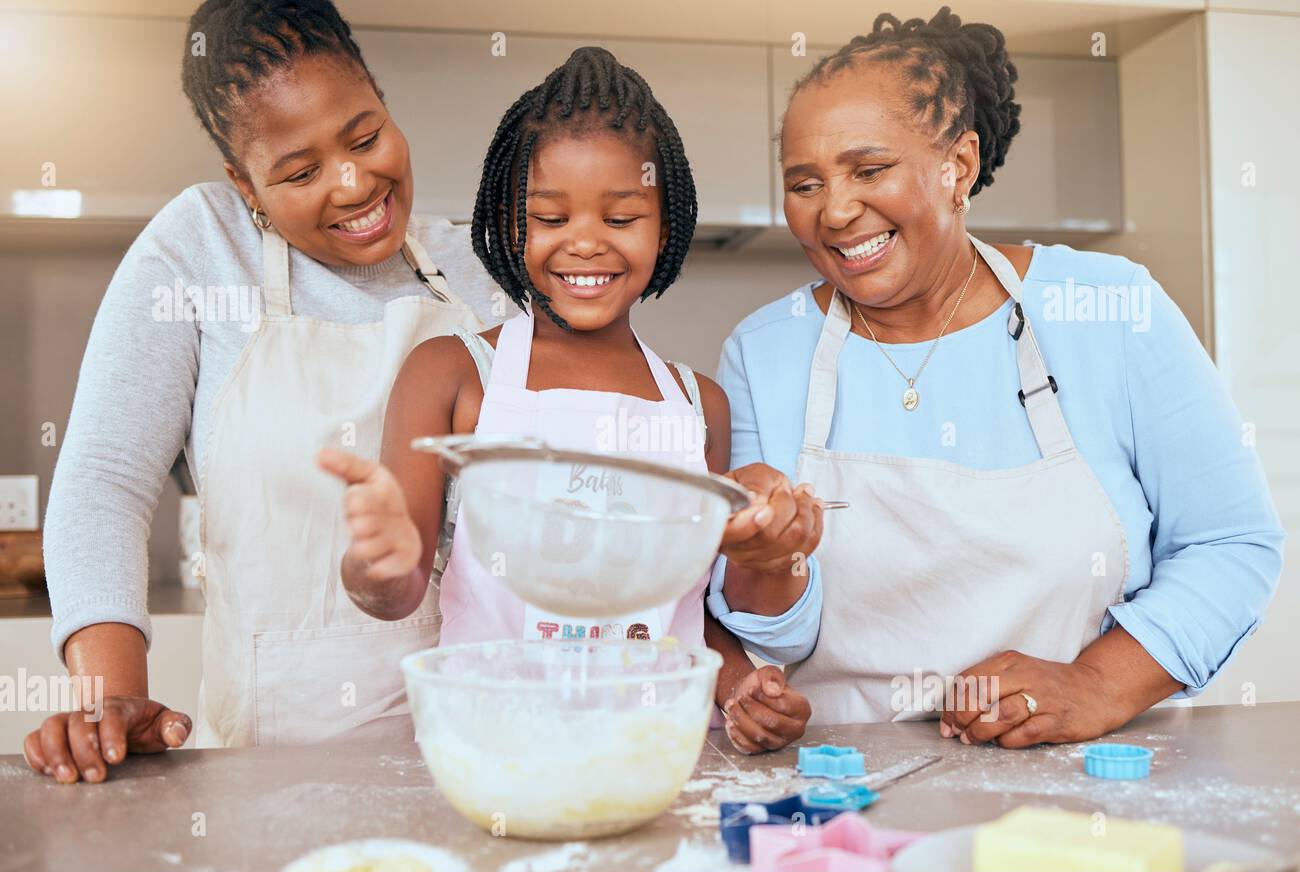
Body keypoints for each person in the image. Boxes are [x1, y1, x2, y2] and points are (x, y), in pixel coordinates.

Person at [710, 8, 1285, 746]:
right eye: (805, 183)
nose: (837, 210)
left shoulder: (1108, 307)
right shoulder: (764, 351)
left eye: (869, 169)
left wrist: (1095, 685)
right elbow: (779, 636)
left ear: (959, 165)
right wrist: (767, 556)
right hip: (852, 792)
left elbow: (1230, 544)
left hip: (1088, 777)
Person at [27, 0, 506, 781]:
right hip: (268, 774)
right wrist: (109, 699)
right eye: (301, 172)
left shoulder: (477, 272)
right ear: (243, 182)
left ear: (384, 102)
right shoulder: (201, 250)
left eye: (365, 136)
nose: (353, 184)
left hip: (481, 748)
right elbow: (104, 483)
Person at [319, 47, 814, 752]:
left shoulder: (698, 407)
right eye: (550, 219)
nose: (585, 244)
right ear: (509, 222)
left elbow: (686, 621)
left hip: (658, 758)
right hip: (495, 757)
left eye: (621, 219)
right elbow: (393, 596)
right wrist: (380, 561)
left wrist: (742, 691)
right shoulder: (455, 375)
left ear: (664, 227)